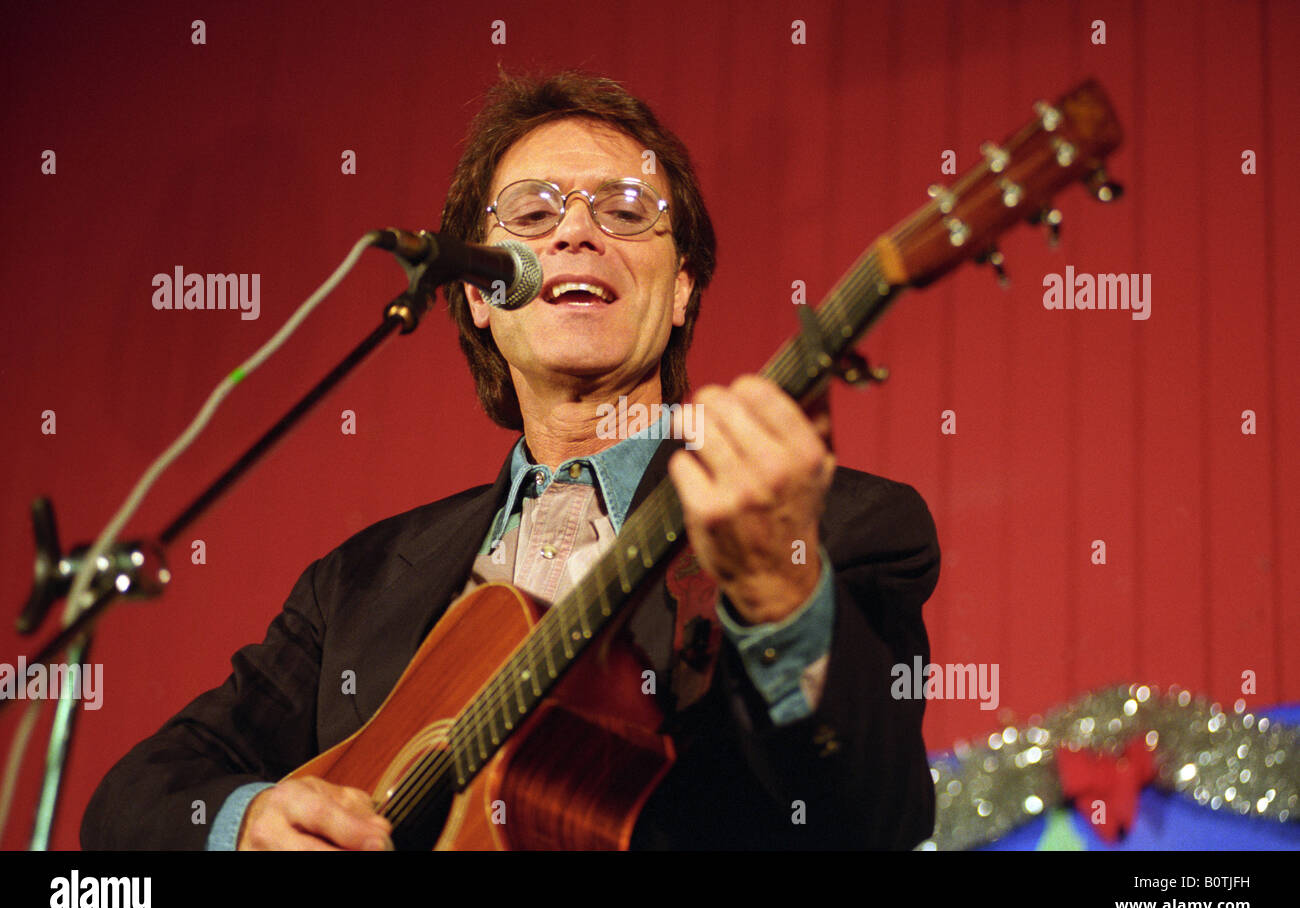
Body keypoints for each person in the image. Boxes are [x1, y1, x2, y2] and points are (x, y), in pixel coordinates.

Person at [81, 71, 940, 851]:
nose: (575, 231)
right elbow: (134, 800)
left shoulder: (832, 528)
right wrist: (249, 821)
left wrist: (781, 593)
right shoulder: (357, 584)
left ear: (682, 289)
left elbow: (877, 820)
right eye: (531, 214)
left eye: (627, 209)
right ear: (479, 296)